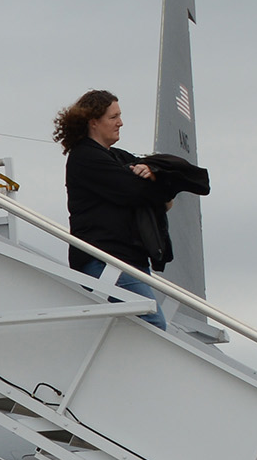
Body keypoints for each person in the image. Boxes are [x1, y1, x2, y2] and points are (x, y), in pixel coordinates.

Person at [54, 89, 175, 328]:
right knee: (153, 323)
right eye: (113, 117)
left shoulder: (119, 157)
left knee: (142, 324)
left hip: (130, 261)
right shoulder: (85, 157)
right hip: (104, 260)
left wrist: (155, 176)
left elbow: (167, 197)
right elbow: (137, 192)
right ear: (94, 122)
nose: (121, 122)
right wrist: (154, 183)